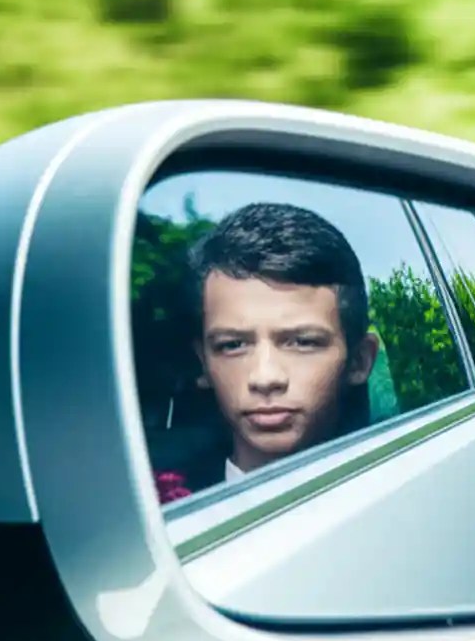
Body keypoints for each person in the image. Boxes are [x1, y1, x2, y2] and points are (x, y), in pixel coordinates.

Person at [150, 202, 380, 503]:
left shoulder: (394, 492)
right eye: (232, 345)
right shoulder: (159, 501)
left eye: (302, 342)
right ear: (203, 363)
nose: (265, 377)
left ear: (359, 361)